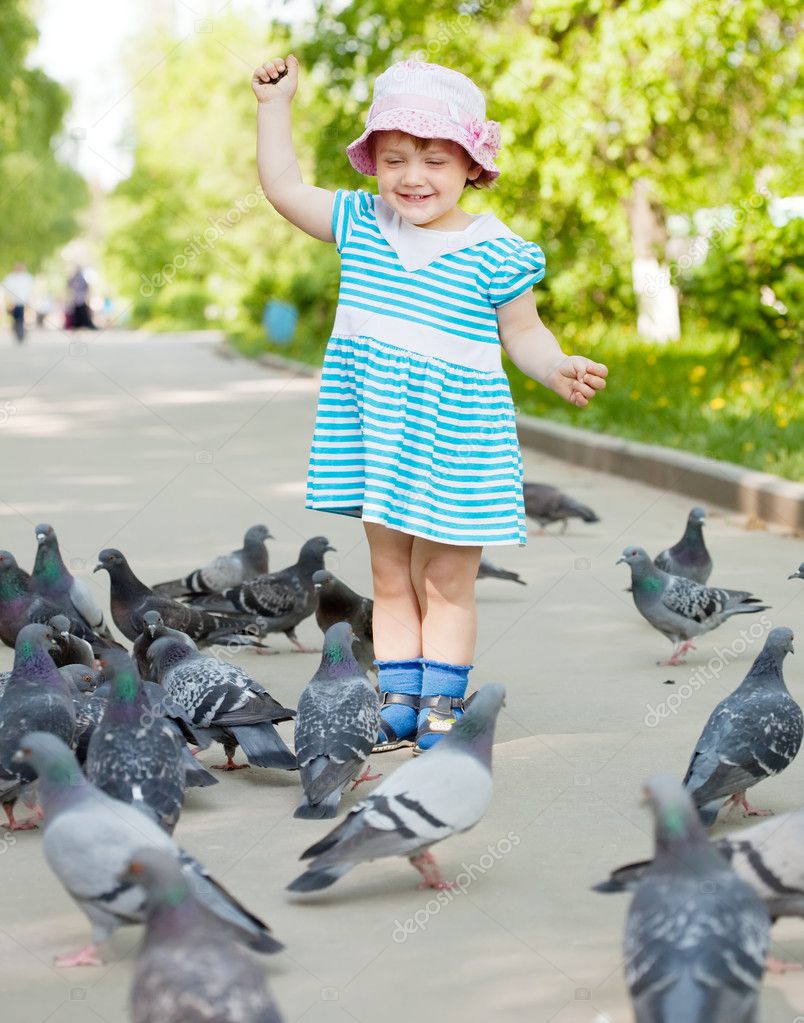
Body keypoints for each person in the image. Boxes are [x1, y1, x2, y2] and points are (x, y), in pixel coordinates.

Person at [253, 56, 608, 754]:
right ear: (373, 164)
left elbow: (524, 333)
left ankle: (442, 705)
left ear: (472, 166)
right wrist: (275, 106)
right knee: (389, 575)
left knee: (445, 581)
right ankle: (399, 699)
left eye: (434, 160)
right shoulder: (359, 221)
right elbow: (283, 184)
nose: (413, 176)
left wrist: (556, 366)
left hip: (456, 436)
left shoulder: (496, 250)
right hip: (379, 434)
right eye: (395, 158)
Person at [2, 262, 34, 342]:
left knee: (21, 318)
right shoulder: (10, 277)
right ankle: (18, 332)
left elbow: (30, 290)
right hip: (13, 302)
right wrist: (8, 301)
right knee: (15, 318)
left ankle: (21, 334)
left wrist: (30, 301)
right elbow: (6, 289)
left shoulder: (27, 277)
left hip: (23, 302)